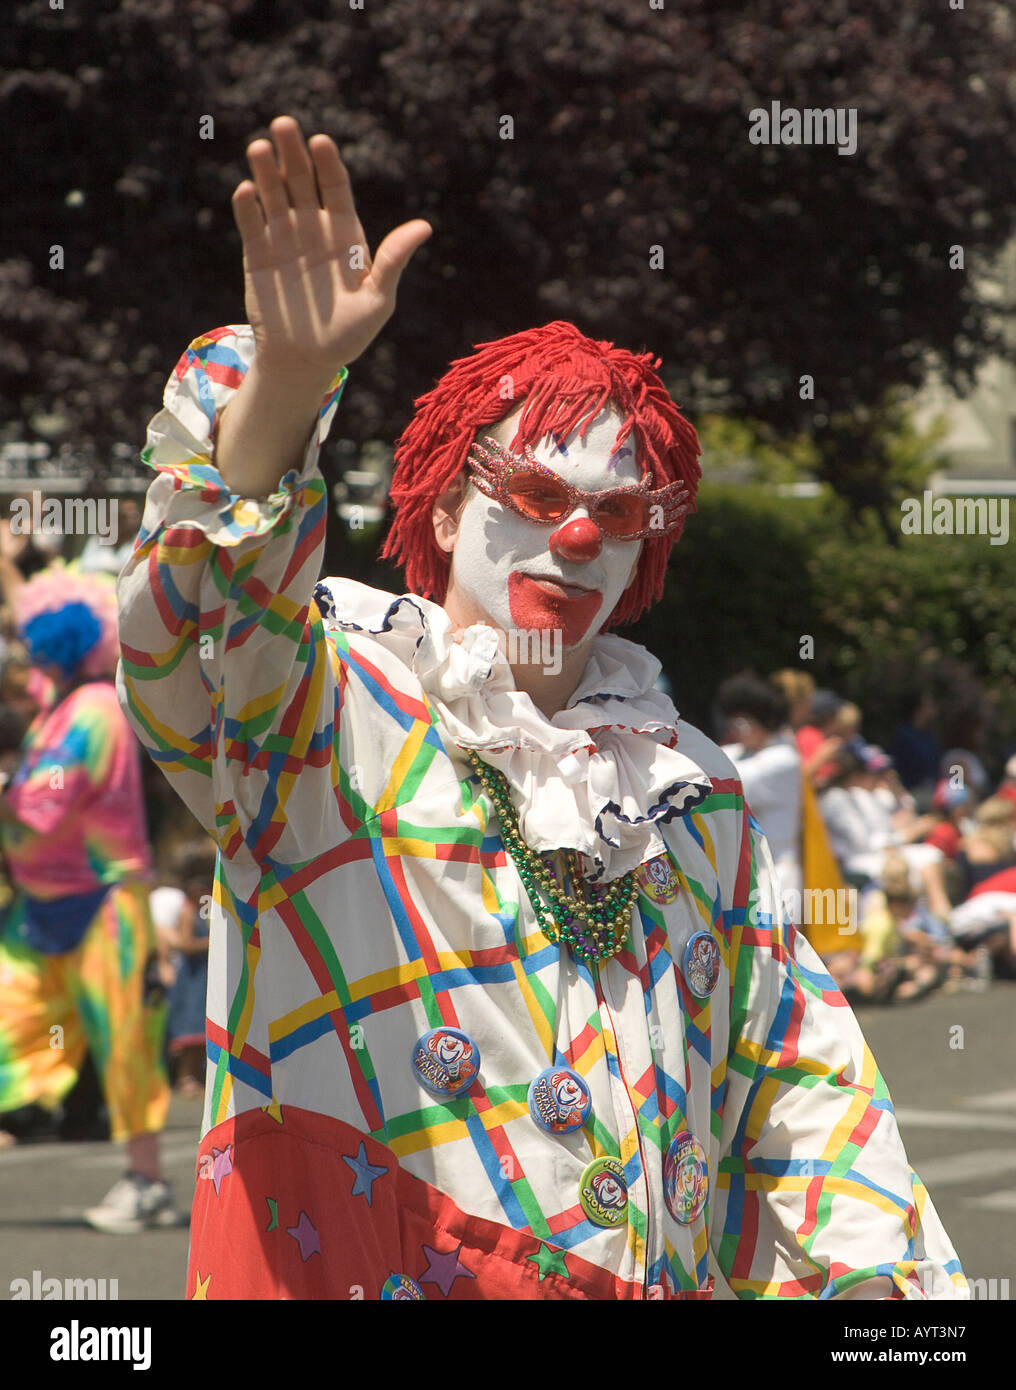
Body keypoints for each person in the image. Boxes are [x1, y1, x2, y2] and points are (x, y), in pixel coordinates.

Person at [116, 115, 966, 1300]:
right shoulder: (326, 711)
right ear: (448, 512)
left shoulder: (688, 791)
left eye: (615, 515)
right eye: (531, 490)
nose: (573, 536)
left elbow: (794, 1066)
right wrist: (282, 399)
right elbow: (189, 644)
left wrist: (874, 1286)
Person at [0, 564, 177, 1231]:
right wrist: (8, 567)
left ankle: (147, 1183)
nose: (23, 653)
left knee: (124, 1044)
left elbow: (47, 805)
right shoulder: (54, 706)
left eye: (32, 642)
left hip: (106, 908)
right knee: (8, 1023)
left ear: (61, 644)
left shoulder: (96, 710)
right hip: (38, 916)